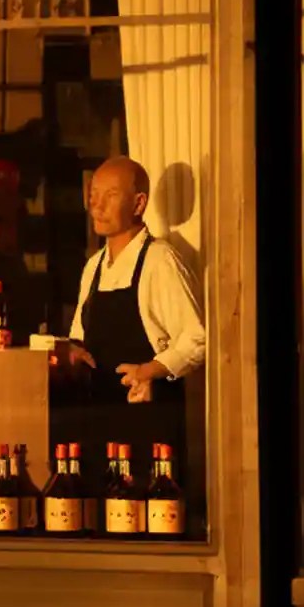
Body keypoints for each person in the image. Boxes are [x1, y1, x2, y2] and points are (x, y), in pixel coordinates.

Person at [67, 156, 205, 490]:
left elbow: (198, 337)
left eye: (110, 195)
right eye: (93, 194)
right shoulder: (94, 266)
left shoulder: (160, 260)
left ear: (139, 203)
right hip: (100, 420)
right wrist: (71, 353)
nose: (97, 205)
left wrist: (150, 370)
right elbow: (78, 336)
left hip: (149, 422)